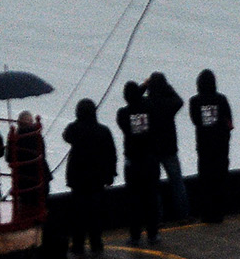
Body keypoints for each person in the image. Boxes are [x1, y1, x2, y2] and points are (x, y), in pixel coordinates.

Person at [62, 99, 116, 256]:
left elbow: (66, 135)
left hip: (78, 179)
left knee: (78, 214)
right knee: (95, 213)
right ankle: (96, 243)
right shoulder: (103, 131)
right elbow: (111, 154)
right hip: (97, 179)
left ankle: (78, 245)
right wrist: (111, 174)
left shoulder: (74, 129)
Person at [115, 81, 160, 245]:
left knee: (134, 201)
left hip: (133, 163)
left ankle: (135, 235)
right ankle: (153, 234)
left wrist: (136, 93)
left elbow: (131, 101)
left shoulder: (123, 114)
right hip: (150, 160)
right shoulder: (150, 110)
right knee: (151, 199)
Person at [188, 70, 234, 223]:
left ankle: (206, 213)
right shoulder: (221, 99)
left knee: (205, 180)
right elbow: (229, 122)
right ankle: (218, 213)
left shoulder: (194, 101)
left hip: (203, 146)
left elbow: (195, 120)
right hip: (221, 146)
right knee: (219, 180)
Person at [144, 72, 190, 220]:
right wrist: (167, 87)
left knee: (153, 185)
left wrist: (144, 85)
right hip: (169, 148)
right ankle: (183, 215)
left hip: (152, 148)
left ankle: (157, 218)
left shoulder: (146, 104)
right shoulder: (169, 103)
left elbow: (132, 98)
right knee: (177, 182)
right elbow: (179, 101)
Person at [7, 111, 49, 221]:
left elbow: (9, 158)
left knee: (25, 208)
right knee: (40, 207)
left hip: (23, 181)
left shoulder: (15, 138)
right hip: (40, 178)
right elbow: (43, 154)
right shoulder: (36, 135)